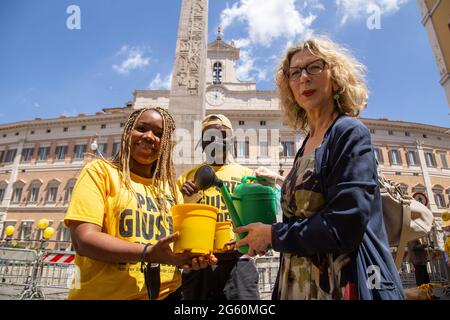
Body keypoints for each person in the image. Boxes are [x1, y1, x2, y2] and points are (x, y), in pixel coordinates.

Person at [233, 36, 405, 300]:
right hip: (298, 285)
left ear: (334, 76)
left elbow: (345, 224)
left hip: (344, 284)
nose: (304, 77)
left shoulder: (349, 132)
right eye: (295, 73)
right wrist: (262, 235)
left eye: (314, 67)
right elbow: (300, 221)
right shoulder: (305, 146)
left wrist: (272, 235)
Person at [65, 107, 215, 300]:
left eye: (159, 134)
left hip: (168, 294)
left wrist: (193, 257)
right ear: (128, 131)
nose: (149, 137)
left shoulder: (170, 188)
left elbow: (174, 248)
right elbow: (83, 240)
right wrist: (149, 252)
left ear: (167, 145)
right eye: (142, 128)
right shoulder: (99, 172)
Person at [177, 114, 260, 300]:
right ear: (203, 142)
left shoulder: (247, 175)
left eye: (222, 135)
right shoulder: (185, 179)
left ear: (231, 140)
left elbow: (257, 218)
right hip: (199, 264)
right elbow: (172, 222)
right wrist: (181, 197)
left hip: (239, 262)